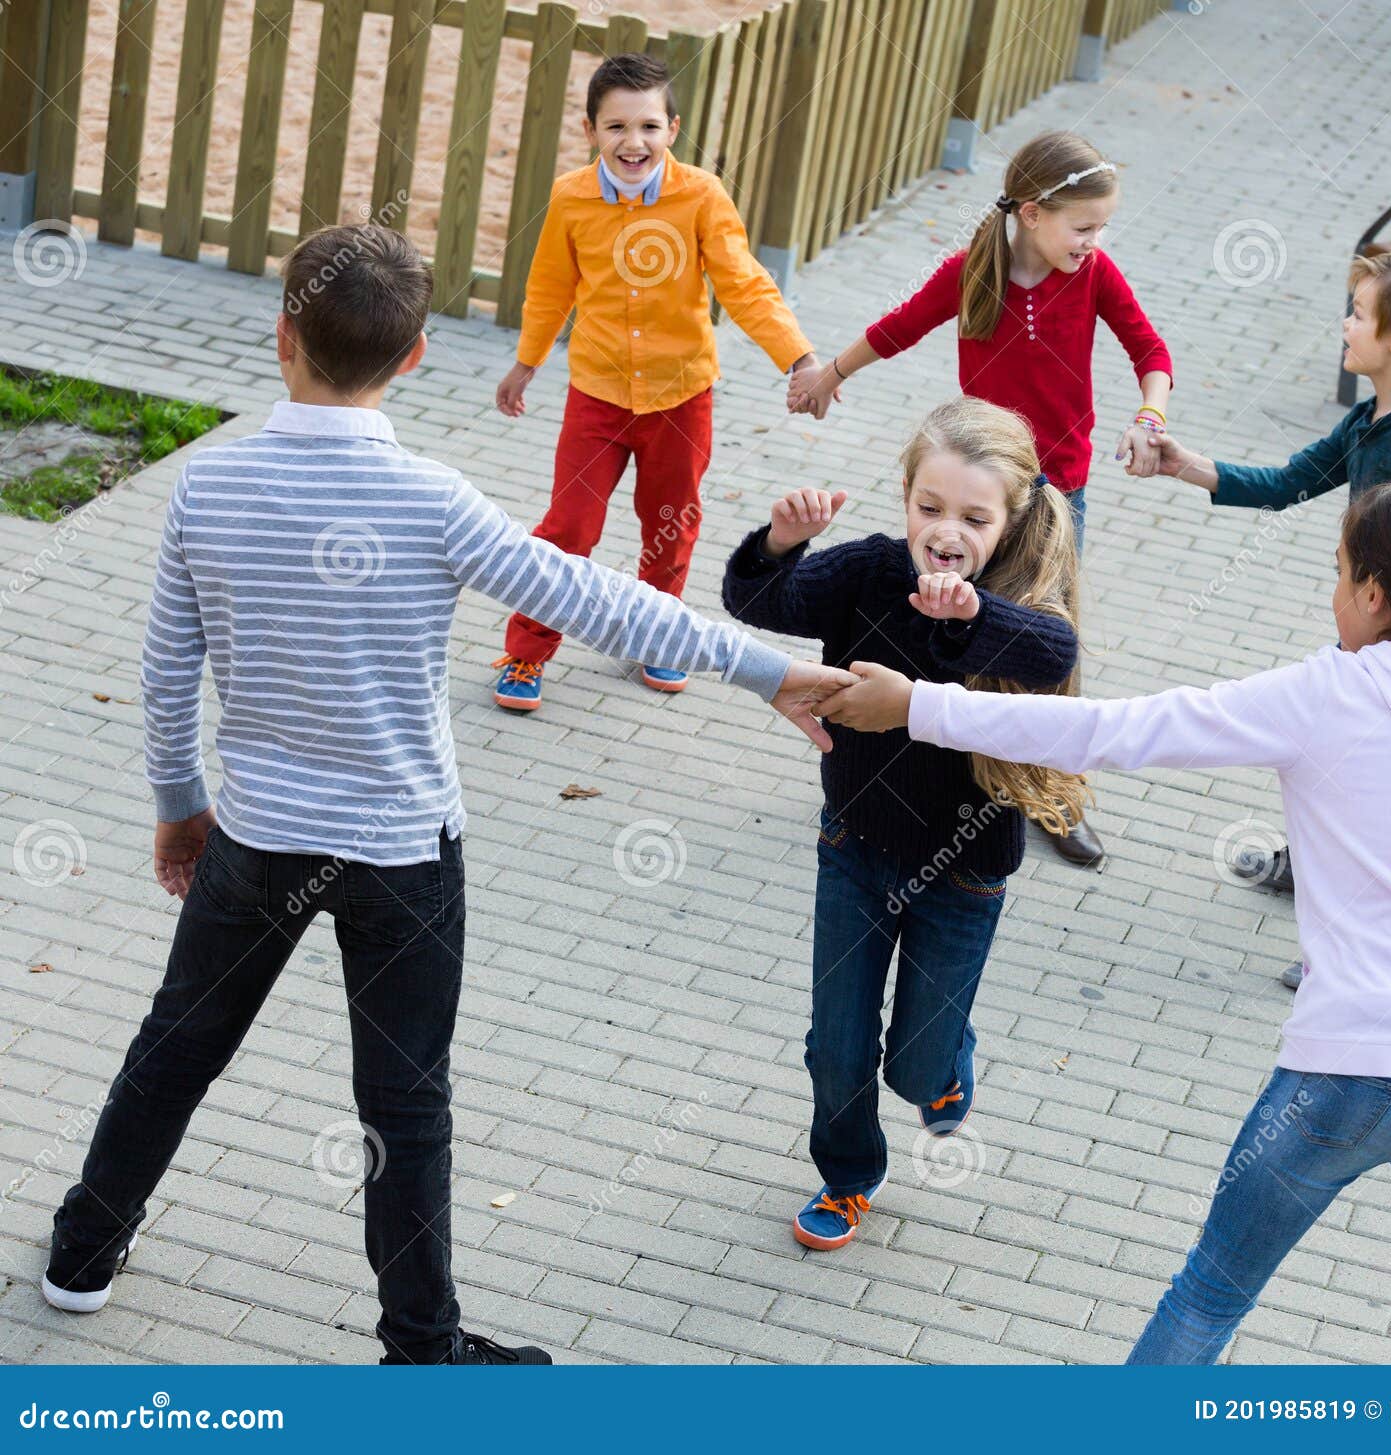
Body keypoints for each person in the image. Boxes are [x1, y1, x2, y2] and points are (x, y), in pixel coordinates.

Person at [41, 224, 854, 1366]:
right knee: (405, 1108)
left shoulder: (207, 481)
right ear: (417, 357)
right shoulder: (433, 499)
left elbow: (168, 671)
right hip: (401, 856)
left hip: (255, 843)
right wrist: (768, 671)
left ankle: (81, 1255)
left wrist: (179, 805)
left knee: (174, 1045)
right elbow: (595, 599)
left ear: (283, 337)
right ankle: (421, 1348)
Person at [817, 476, 1391, 1363]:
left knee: (1210, 1299)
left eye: (1340, 575)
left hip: (1336, 1074)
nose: (1332, 596)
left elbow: (1120, 730)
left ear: (1374, 594)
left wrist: (919, 705)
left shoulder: (1329, 692)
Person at [722, 397, 1081, 1250]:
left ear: (1012, 518)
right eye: (929, 506)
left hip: (964, 872)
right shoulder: (871, 572)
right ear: (906, 497)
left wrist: (968, 615)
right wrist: (779, 539)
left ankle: (944, 1057)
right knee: (836, 1043)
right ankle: (848, 1175)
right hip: (852, 846)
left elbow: (1054, 654)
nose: (944, 530)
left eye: (972, 516)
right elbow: (755, 599)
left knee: (915, 1061)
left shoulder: (1016, 598)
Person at [789, 130, 1174, 871]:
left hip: (1056, 496)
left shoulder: (1094, 276)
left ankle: (1055, 788)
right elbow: (898, 328)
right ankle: (923, 766)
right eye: (1084, 226)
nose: (1095, 241)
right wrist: (830, 374)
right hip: (973, 497)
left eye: (1102, 228)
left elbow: (1150, 352)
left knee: (1045, 641)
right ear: (1032, 213)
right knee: (947, 618)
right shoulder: (973, 274)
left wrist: (1149, 417)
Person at [1157, 251, 1391, 989]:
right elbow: (1294, 481)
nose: (1346, 322)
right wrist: (1187, 465)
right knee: (1331, 770)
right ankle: (1308, 870)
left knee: (1368, 795)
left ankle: (1346, 955)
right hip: (1368, 632)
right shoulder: (1375, 417)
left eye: (1360, 313)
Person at [491, 52, 824, 710]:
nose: (632, 141)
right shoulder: (571, 197)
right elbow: (550, 288)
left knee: (670, 528)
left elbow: (745, 284)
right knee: (568, 529)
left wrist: (800, 358)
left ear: (672, 129)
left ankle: (659, 637)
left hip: (681, 398)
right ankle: (526, 650)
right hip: (597, 396)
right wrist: (526, 362)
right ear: (590, 132)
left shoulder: (700, 196)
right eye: (615, 127)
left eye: (647, 126)